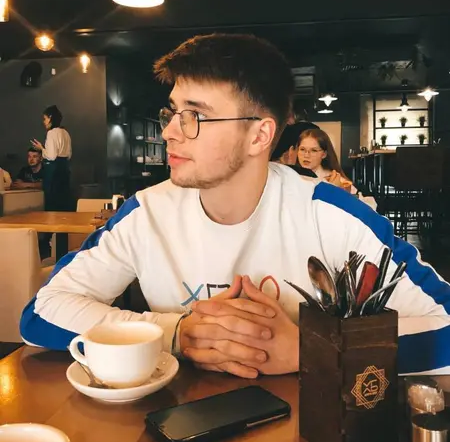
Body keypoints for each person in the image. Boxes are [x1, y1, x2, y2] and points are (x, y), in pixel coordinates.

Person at [20, 34, 450, 378]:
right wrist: (177, 333)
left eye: (194, 115)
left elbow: (443, 322)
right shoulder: (147, 212)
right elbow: (41, 314)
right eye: (172, 112)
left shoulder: (329, 213)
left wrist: (315, 349)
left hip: (314, 434)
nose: (169, 132)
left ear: (259, 136)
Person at [31, 105, 72, 211]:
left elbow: (52, 156)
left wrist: (41, 148)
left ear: (50, 118)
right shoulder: (65, 133)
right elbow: (69, 154)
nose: (44, 122)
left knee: (52, 202)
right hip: (65, 169)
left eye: (45, 119)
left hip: (54, 171)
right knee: (64, 200)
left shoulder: (51, 133)